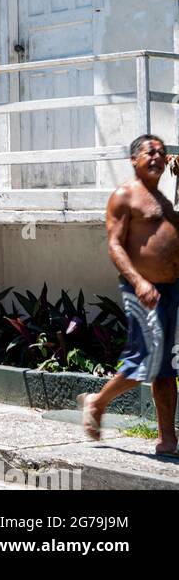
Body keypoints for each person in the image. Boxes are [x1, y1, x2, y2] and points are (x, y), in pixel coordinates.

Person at [79, 134, 179, 452]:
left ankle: (167, 438)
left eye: (162, 153)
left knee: (164, 367)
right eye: (150, 152)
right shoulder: (125, 196)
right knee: (147, 361)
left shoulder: (164, 199)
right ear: (133, 159)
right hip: (144, 292)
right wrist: (139, 282)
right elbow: (114, 245)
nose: (157, 157)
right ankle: (96, 402)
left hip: (170, 290)